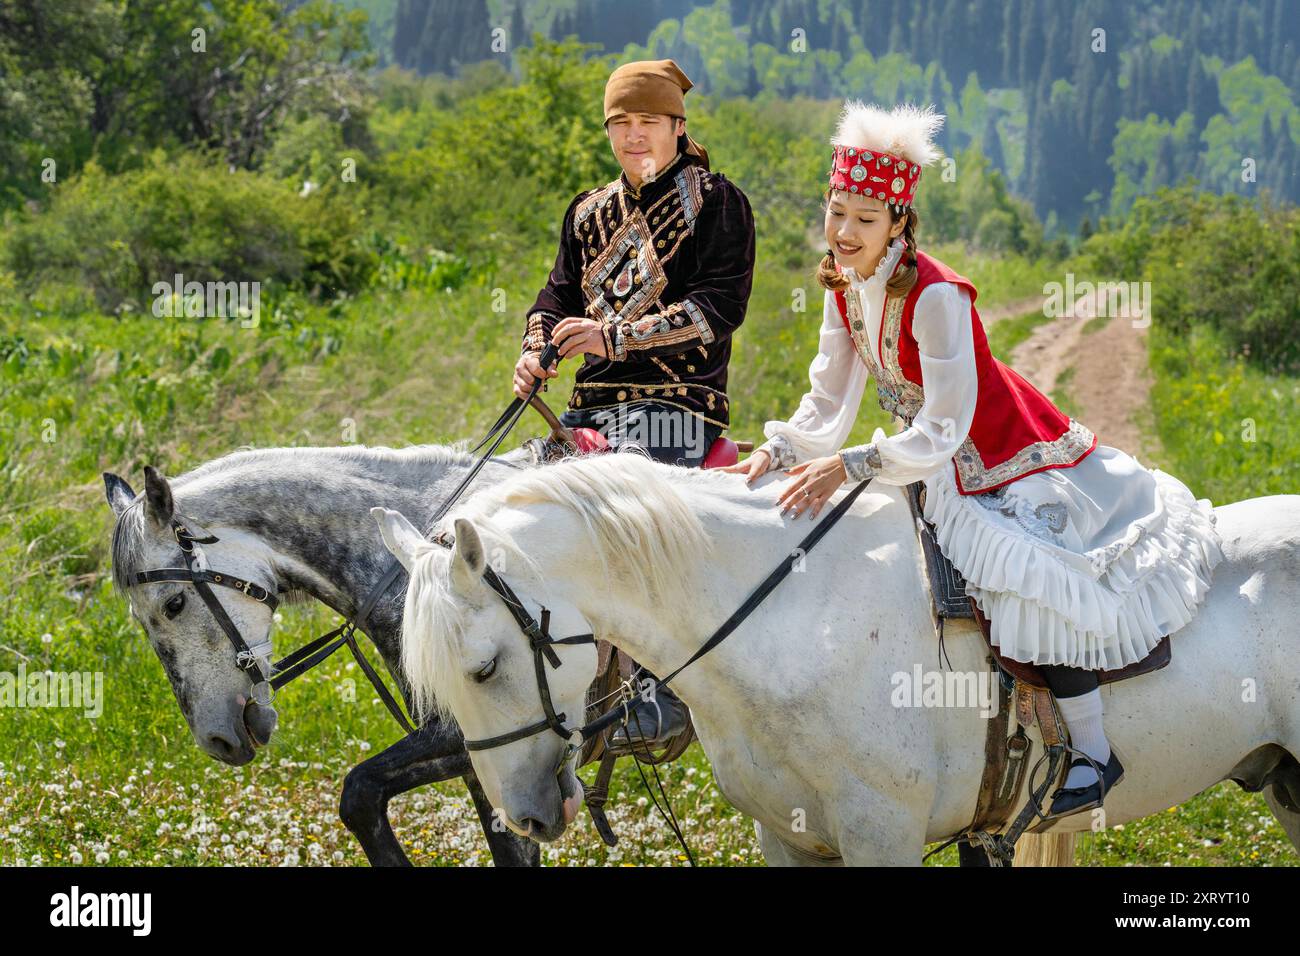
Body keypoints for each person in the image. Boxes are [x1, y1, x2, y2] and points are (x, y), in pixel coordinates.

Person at [721, 102, 1224, 820]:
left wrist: (856, 464)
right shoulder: (840, 283)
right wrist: (776, 452)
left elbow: (947, 426)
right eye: (837, 213)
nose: (844, 232)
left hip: (995, 454)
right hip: (924, 454)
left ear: (899, 222)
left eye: (865, 219)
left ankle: (1091, 752)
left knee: (1026, 577)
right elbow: (827, 399)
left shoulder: (938, 295)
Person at [517, 58, 756, 749]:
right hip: (591, 405)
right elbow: (556, 296)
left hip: (678, 405)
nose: (632, 135)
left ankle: (661, 691)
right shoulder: (588, 211)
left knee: (632, 518)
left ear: (678, 128)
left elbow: (718, 310)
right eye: (619, 123)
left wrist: (613, 335)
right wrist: (536, 350)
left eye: (647, 121)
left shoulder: (718, 202)